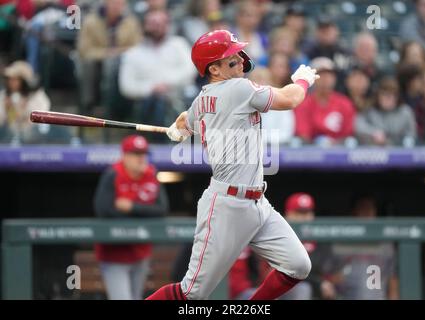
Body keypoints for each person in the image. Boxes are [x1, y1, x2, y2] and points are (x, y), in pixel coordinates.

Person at [146, 29, 319, 300]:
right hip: (226, 205)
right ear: (214, 68)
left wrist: (178, 128)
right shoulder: (238, 88)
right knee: (191, 294)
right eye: (231, 58)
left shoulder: (200, 99)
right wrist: (302, 80)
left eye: (237, 54)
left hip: (257, 202)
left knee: (298, 265)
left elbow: (185, 122)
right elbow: (291, 98)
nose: (239, 60)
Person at [94, 135, 169, 300]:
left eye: (144, 154)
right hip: (114, 253)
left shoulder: (151, 175)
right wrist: (144, 212)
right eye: (136, 154)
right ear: (125, 156)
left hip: (141, 252)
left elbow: (162, 209)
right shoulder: (113, 175)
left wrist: (131, 207)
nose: (142, 158)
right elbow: (103, 210)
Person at [119, 10, 196, 130]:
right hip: (146, 102)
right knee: (156, 104)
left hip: (178, 97)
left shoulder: (179, 45)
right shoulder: (133, 53)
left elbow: (191, 70)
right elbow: (127, 86)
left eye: (160, 24)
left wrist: (167, 83)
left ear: (168, 25)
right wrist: (151, 88)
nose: (156, 28)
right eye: (153, 23)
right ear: (144, 25)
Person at [325, 194, 399, 300]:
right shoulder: (339, 242)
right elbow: (325, 276)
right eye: (363, 208)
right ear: (353, 212)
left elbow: (393, 279)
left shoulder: (385, 243)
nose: (367, 212)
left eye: (370, 208)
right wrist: (332, 279)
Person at [76, 0, 142, 114]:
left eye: (120, 3)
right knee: (89, 64)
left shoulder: (131, 22)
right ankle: (89, 106)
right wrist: (107, 54)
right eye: (113, 3)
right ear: (106, 3)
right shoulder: (90, 21)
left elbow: (138, 48)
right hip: (98, 64)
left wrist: (118, 53)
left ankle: (125, 109)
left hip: (124, 62)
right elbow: (84, 50)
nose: (116, 6)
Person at [294, 57, 355, 146]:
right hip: (311, 150)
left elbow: (348, 133)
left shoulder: (344, 103)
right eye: (320, 75)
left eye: (329, 75)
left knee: (351, 142)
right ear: (312, 79)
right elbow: (303, 134)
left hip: (339, 150)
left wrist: (332, 144)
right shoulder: (304, 103)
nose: (325, 79)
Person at [355, 77, 417, 146]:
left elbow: (411, 134)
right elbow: (358, 126)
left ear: (397, 97)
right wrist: (374, 132)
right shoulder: (369, 109)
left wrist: (405, 141)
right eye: (384, 95)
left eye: (392, 95)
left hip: (398, 150)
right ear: (378, 96)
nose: (388, 99)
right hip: (374, 150)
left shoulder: (405, 112)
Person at [0, 60, 50, 143]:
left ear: (25, 81)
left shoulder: (38, 97)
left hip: (32, 142)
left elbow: (40, 124)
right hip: (7, 141)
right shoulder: (4, 96)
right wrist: (8, 109)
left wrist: (24, 110)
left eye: (16, 79)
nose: (11, 82)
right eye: (10, 79)